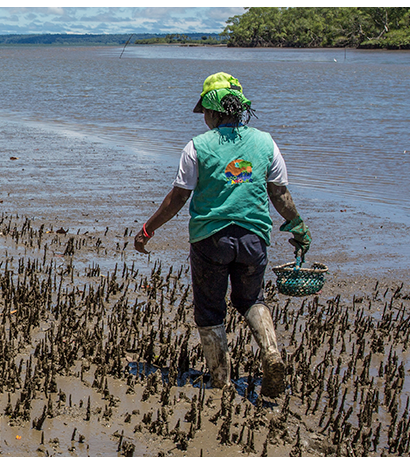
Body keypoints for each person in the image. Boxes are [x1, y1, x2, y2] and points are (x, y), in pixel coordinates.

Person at [133, 72, 311, 398]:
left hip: (210, 240)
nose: (203, 117)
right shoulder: (265, 142)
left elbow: (178, 198)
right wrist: (298, 226)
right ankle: (271, 352)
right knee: (252, 300)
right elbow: (280, 195)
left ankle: (221, 381)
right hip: (254, 238)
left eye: (204, 111)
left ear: (213, 112)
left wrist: (148, 229)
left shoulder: (197, 147)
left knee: (211, 310)